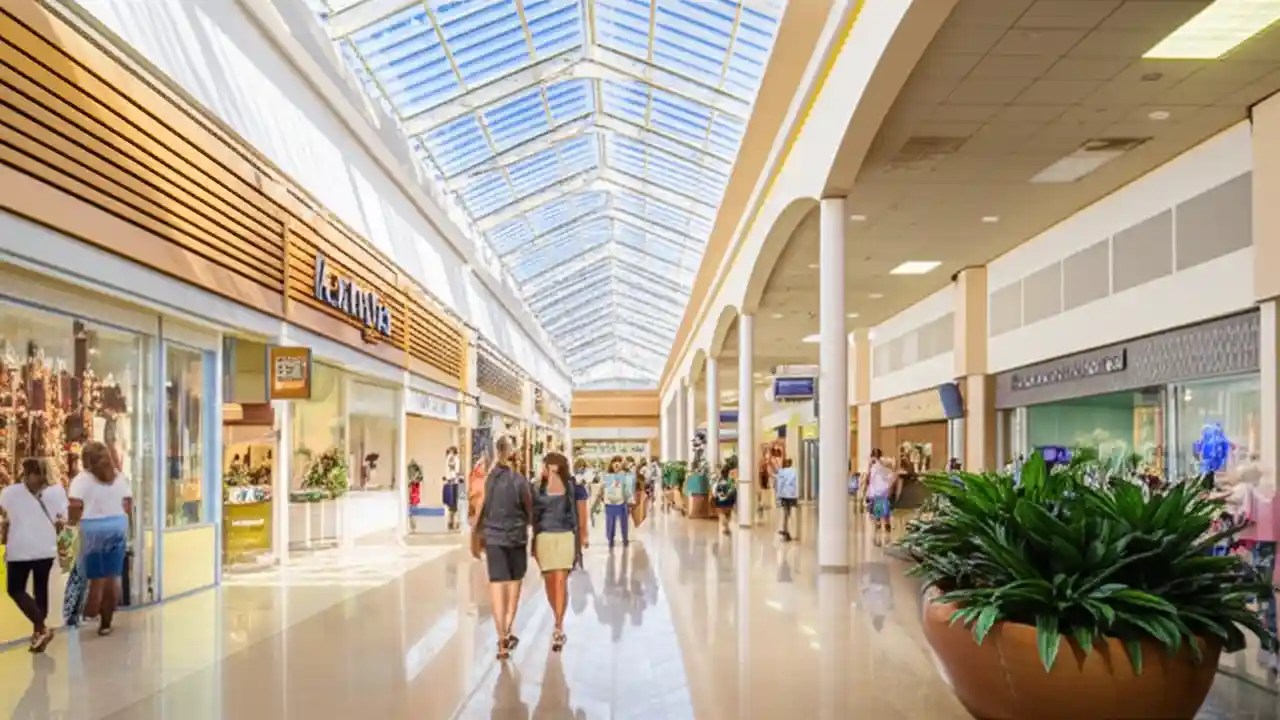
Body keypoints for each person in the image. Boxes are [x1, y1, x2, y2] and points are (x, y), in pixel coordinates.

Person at [472, 435, 533, 660]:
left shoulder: (490, 480)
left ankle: (501, 639)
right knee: (514, 587)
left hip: (494, 540)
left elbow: (483, 509)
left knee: (497, 588)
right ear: (514, 453)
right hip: (516, 540)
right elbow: (530, 511)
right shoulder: (520, 482)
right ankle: (508, 629)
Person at [0, 458, 68, 652]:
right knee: (40, 590)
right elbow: (61, 518)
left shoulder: (10, 493)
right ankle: (38, 632)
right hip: (46, 548)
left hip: (20, 550)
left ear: (27, 473)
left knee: (15, 589)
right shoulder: (56, 492)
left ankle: (41, 627)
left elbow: (5, 518)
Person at [68, 441, 133, 636]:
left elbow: (75, 507)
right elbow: (128, 504)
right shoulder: (119, 478)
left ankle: (89, 614)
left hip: (93, 528)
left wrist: (70, 527)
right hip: (117, 526)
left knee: (96, 577)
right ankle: (106, 623)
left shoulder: (81, 480)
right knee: (112, 576)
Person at [531, 452, 588, 652]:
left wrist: (582, 538)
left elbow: (580, 516)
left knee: (560, 581)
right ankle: (557, 613)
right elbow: (533, 516)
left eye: (546, 465)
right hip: (544, 538)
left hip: (565, 537)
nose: (543, 469)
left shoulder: (573, 488)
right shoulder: (537, 488)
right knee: (549, 582)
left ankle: (558, 625)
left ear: (555, 467)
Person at [601, 456, 635, 550]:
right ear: (611, 464)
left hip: (622, 502)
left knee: (624, 523)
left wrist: (630, 500)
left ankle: (625, 539)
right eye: (614, 461)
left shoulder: (625, 475)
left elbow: (628, 489)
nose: (616, 464)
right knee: (610, 523)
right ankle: (610, 540)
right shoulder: (607, 475)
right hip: (609, 502)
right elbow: (604, 488)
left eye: (619, 461)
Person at [867, 456, 900, 547]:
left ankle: (882, 524)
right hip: (882, 493)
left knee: (882, 508)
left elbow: (890, 481)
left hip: (881, 493)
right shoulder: (884, 471)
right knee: (883, 509)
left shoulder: (882, 471)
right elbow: (891, 481)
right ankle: (884, 525)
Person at [774, 458, 799, 541]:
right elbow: (796, 483)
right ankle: (790, 531)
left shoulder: (782, 472)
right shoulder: (795, 471)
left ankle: (785, 530)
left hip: (784, 495)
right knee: (790, 513)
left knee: (785, 513)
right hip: (792, 495)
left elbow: (779, 484)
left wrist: (778, 498)